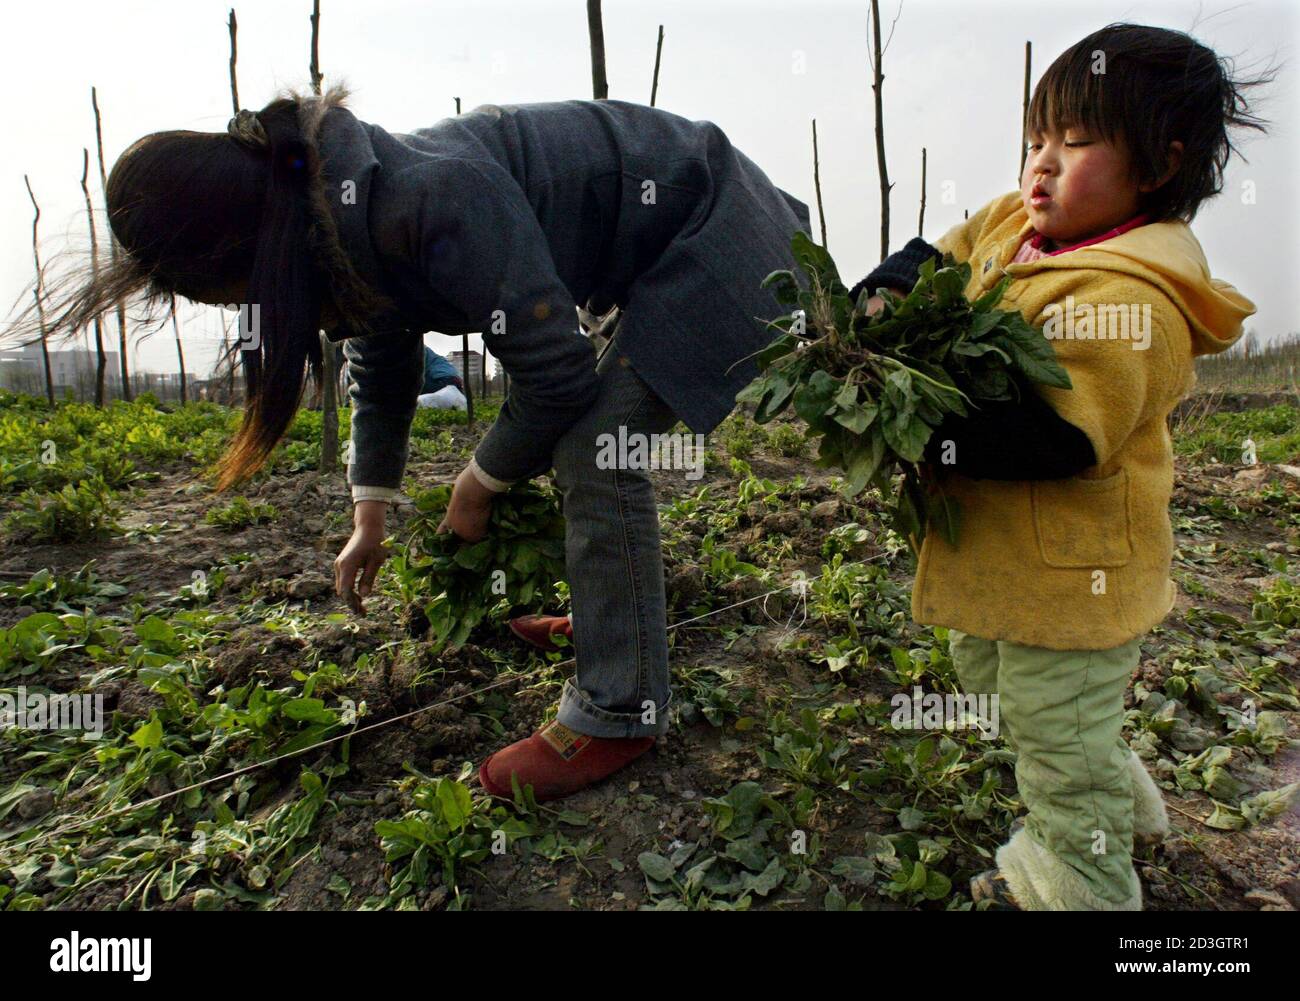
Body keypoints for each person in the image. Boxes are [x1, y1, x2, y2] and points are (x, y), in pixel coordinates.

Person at [41, 84, 810, 804]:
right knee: (580, 436)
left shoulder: (428, 197)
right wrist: (368, 512)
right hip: (669, 247)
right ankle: (617, 624)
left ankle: (621, 709)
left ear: (247, 246)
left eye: (239, 291)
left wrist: (477, 483)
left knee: (595, 445)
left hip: (723, 231)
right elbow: (378, 354)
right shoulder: (338, 213)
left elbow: (558, 375)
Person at [849, 22, 1264, 910]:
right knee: (995, 679)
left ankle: (1080, 880)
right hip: (1010, 563)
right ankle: (1113, 788)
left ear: (1156, 168)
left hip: (1080, 582)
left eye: (1074, 146)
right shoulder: (1014, 222)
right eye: (1036, 139)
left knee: (1052, 732)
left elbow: (1061, 436)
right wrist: (881, 297)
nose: (1040, 165)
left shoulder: (1131, 299)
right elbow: (936, 258)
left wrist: (918, 415)